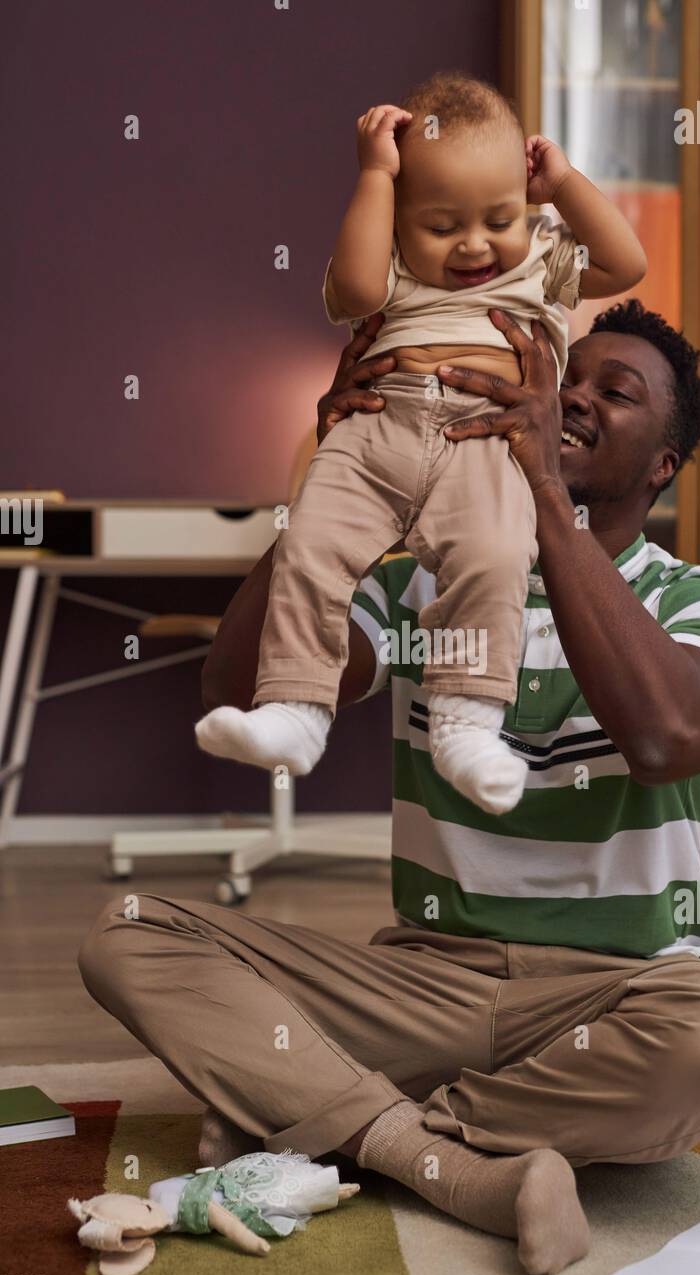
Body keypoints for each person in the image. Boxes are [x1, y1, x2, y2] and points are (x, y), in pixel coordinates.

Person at [78, 302, 700, 1275]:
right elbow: (237, 689)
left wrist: (537, 494)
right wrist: (333, 478)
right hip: (420, 982)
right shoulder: (417, 586)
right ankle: (445, 1163)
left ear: (662, 466)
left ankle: (333, 1115)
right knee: (128, 930)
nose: (568, 395)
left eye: (609, 393)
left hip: (621, 996)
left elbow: (667, 736)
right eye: (556, 375)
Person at [194, 71, 646, 815]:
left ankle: (467, 722)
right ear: (402, 217)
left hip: (485, 435)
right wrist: (376, 174)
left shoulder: (535, 261)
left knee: (496, 555)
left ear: (524, 207)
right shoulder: (391, 258)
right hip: (377, 425)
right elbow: (362, 290)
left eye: (499, 218)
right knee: (311, 542)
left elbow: (625, 263)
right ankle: (298, 709)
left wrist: (563, 184)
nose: (475, 244)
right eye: (442, 225)